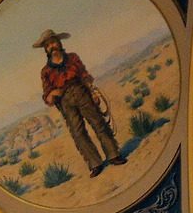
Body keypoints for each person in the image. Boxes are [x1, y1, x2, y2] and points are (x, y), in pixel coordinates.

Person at [35, 29, 126, 179]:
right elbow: (47, 95)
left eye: (53, 42)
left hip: (81, 92)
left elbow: (84, 76)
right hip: (65, 102)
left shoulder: (72, 58)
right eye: (48, 44)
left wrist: (93, 92)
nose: (52, 46)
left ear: (59, 42)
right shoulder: (45, 71)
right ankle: (95, 164)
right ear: (45, 49)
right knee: (78, 133)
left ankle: (113, 155)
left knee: (98, 123)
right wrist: (52, 94)